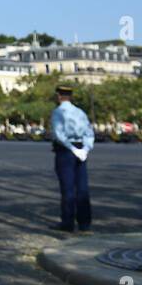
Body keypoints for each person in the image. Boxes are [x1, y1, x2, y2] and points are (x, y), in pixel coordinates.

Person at [49, 84, 93, 234]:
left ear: (59, 96)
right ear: (71, 96)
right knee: (82, 188)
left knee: (67, 189)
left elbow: (59, 135)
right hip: (81, 149)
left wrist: (72, 149)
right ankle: (84, 224)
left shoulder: (58, 112)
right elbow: (89, 132)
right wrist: (85, 149)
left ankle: (67, 222)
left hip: (66, 151)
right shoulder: (80, 112)